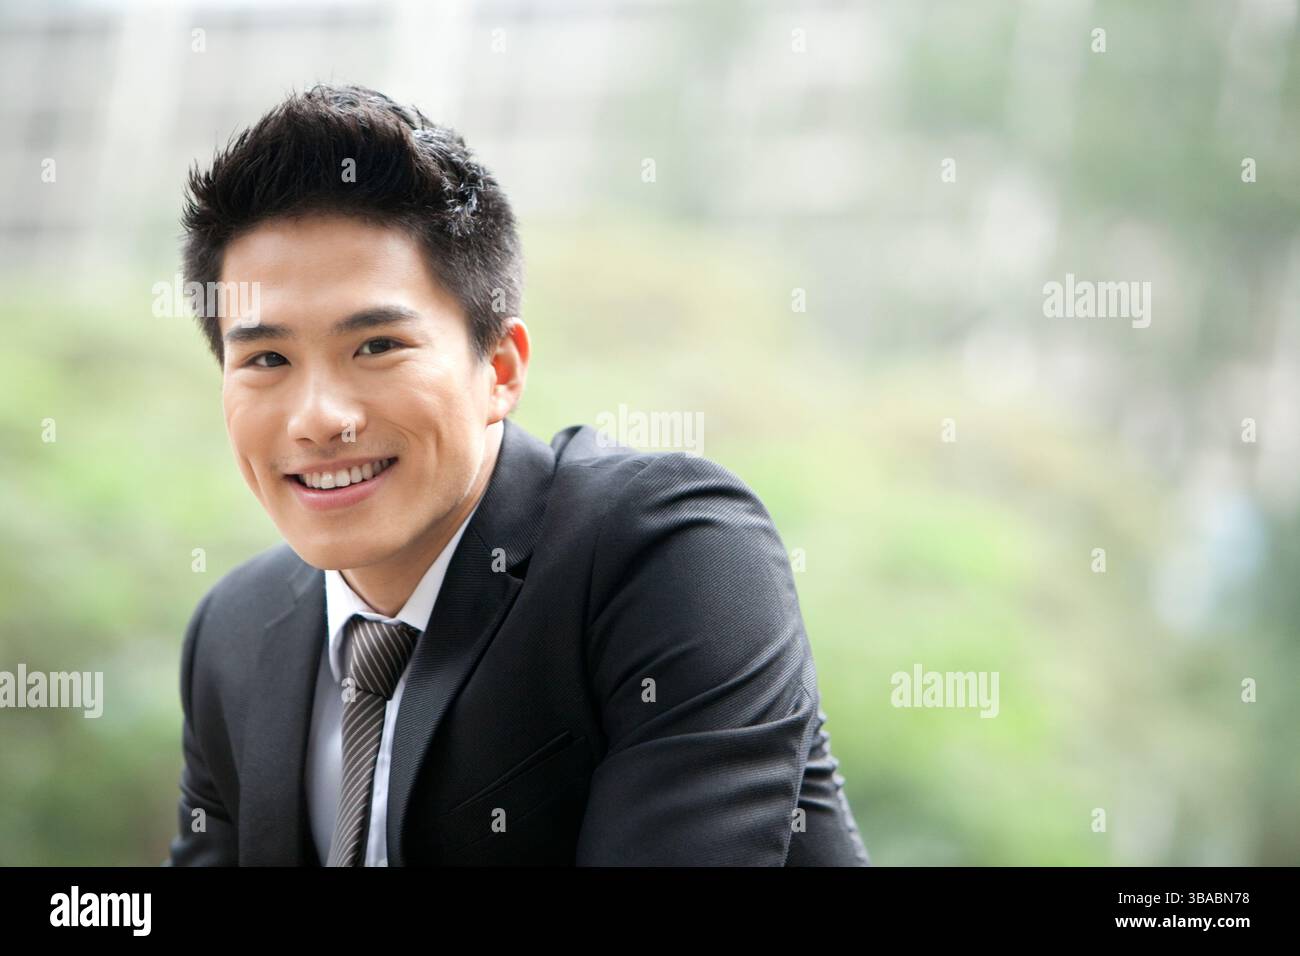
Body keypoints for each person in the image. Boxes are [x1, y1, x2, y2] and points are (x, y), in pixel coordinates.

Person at [164, 83, 869, 866]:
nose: (319, 419)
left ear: (499, 367)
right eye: (267, 359)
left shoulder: (667, 553)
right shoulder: (233, 630)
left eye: (376, 347)